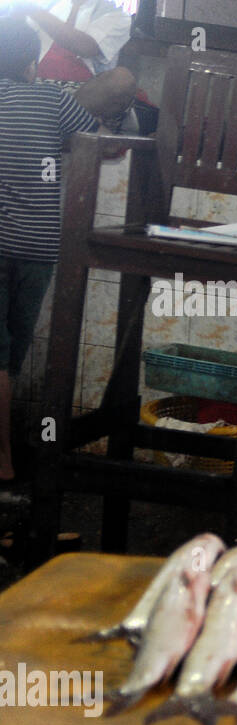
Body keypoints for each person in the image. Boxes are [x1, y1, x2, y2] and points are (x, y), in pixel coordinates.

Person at [0, 19, 100, 482]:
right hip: (39, 249)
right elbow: (91, 135)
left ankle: (3, 465)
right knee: (11, 356)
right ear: (30, 63)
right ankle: (7, 463)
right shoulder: (53, 99)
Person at [10, 0, 136, 122]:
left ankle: (57, 120)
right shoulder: (47, 5)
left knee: (121, 80)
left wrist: (33, 10)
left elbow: (85, 47)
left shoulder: (118, 15)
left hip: (83, 94)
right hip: (32, 86)